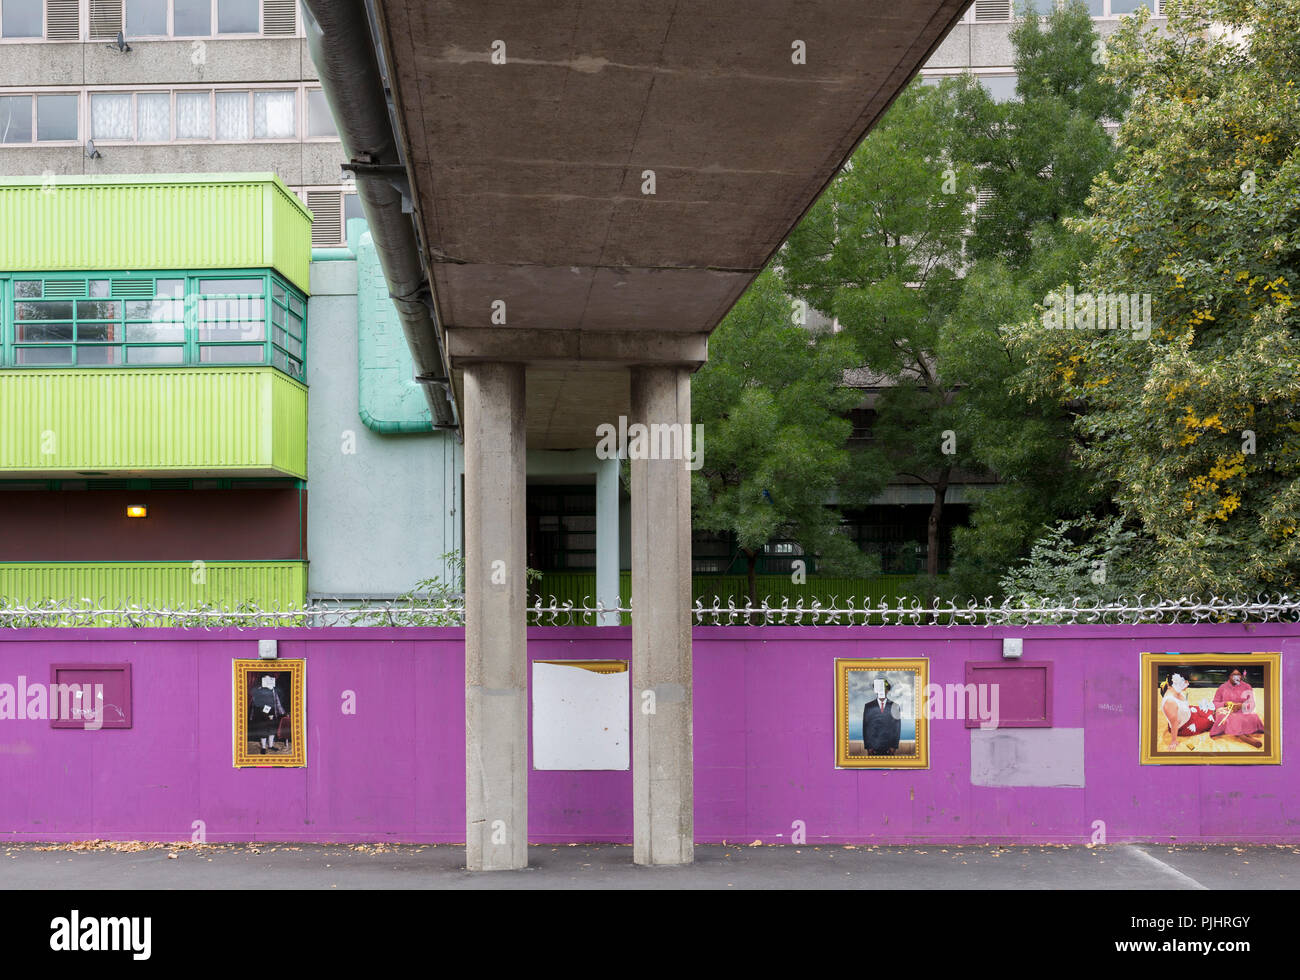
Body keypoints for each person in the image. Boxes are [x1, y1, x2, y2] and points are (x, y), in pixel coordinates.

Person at [1209, 667, 1264, 748]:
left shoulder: (1247, 687)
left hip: (1242, 711)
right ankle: (1243, 736)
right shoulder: (1222, 688)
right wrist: (1225, 704)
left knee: (1253, 716)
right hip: (1227, 711)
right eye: (1233, 675)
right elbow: (1214, 703)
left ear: (1241, 676)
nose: (1236, 677)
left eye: (1238, 675)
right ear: (1229, 676)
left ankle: (1240, 734)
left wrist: (1241, 706)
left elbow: (1252, 704)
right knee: (1228, 717)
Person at [861, 674, 901, 755]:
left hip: (889, 747)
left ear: (888, 690)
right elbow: (866, 727)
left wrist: (894, 746)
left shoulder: (895, 706)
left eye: (884, 688)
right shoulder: (868, 706)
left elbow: (897, 729)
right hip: (873, 748)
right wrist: (868, 747)